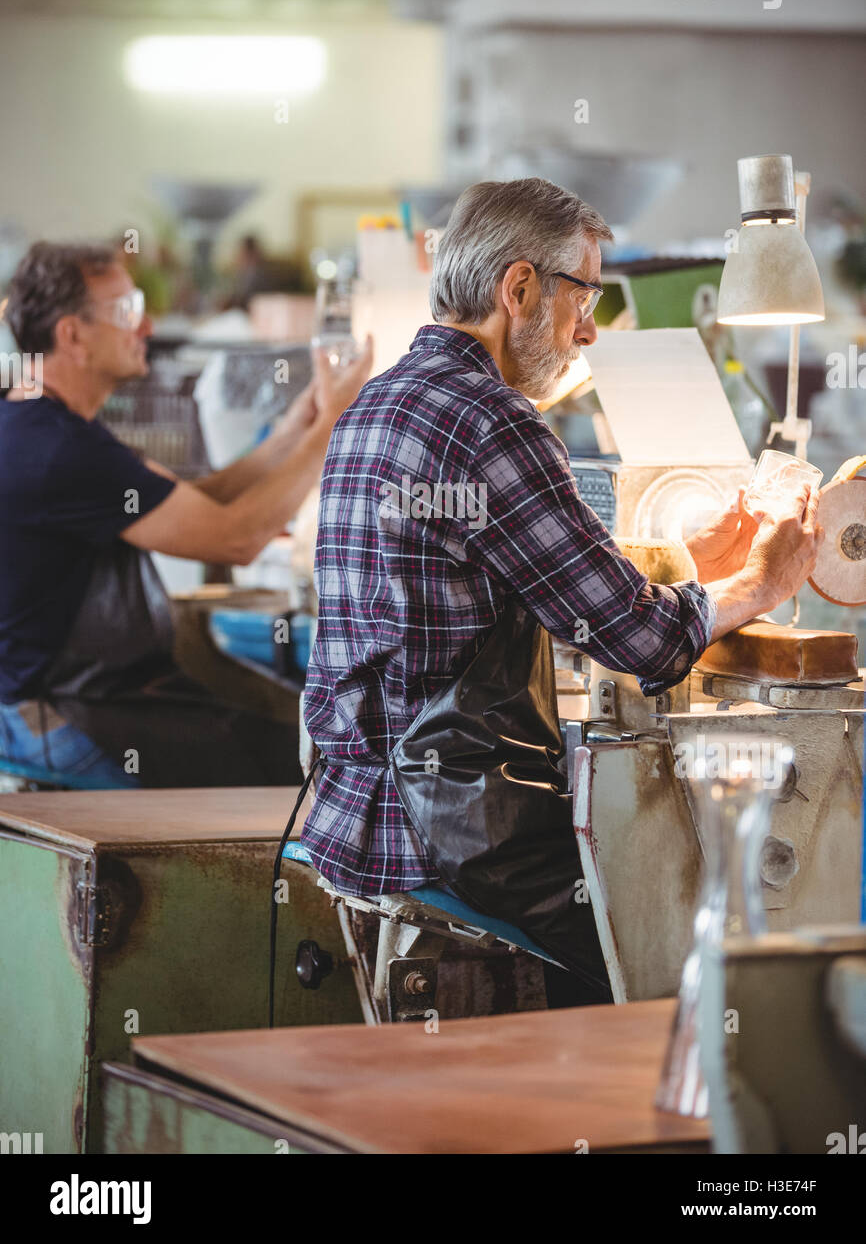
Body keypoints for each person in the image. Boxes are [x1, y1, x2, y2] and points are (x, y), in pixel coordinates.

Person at [299, 177, 822, 999]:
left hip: (350, 808)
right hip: (442, 829)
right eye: (584, 296)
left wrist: (694, 567)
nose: (587, 332)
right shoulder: (493, 420)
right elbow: (643, 645)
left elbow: (541, 576)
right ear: (519, 288)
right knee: (686, 946)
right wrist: (765, 580)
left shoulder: (378, 403)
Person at [0, 242, 372, 788]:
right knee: (307, 771)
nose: (148, 325)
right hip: (58, 714)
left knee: (287, 737)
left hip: (62, 697)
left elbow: (201, 500)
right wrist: (335, 425)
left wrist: (297, 429)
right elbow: (237, 538)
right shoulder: (63, 450)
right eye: (127, 312)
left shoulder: (36, 420)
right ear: (72, 335)